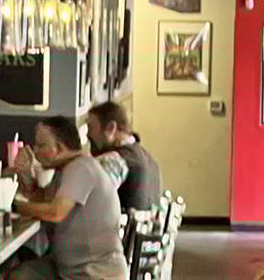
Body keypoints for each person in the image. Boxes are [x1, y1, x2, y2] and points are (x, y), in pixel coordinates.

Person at [11, 116, 127, 280]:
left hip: (94, 275)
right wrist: (26, 176)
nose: (35, 151)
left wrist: (15, 206)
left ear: (58, 148)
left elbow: (55, 212)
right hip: (69, 269)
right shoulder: (65, 170)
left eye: (41, 145)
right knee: (19, 274)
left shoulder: (81, 168)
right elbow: (42, 201)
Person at [86, 101, 163, 211]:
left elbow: (91, 199)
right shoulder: (149, 160)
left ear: (110, 128)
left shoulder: (114, 161)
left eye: (91, 127)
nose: (88, 134)